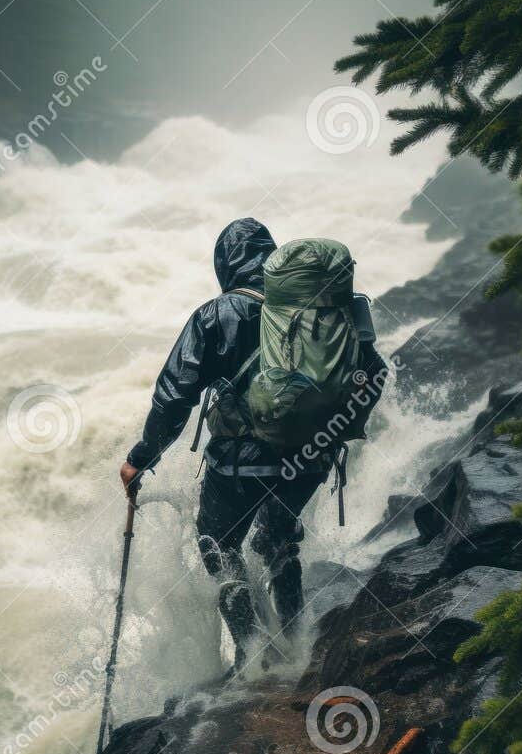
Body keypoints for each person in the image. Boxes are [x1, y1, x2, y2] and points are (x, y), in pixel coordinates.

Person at [120, 217, 387, 666]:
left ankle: (254, 653)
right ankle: (299, 640)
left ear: (225, 264)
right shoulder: (323, 309)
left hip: (239, 465)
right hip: (310, 459)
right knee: (277, 537)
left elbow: (174, 397)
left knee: (218, 544)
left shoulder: (216, 314)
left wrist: (140, 459)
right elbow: (372, 372)